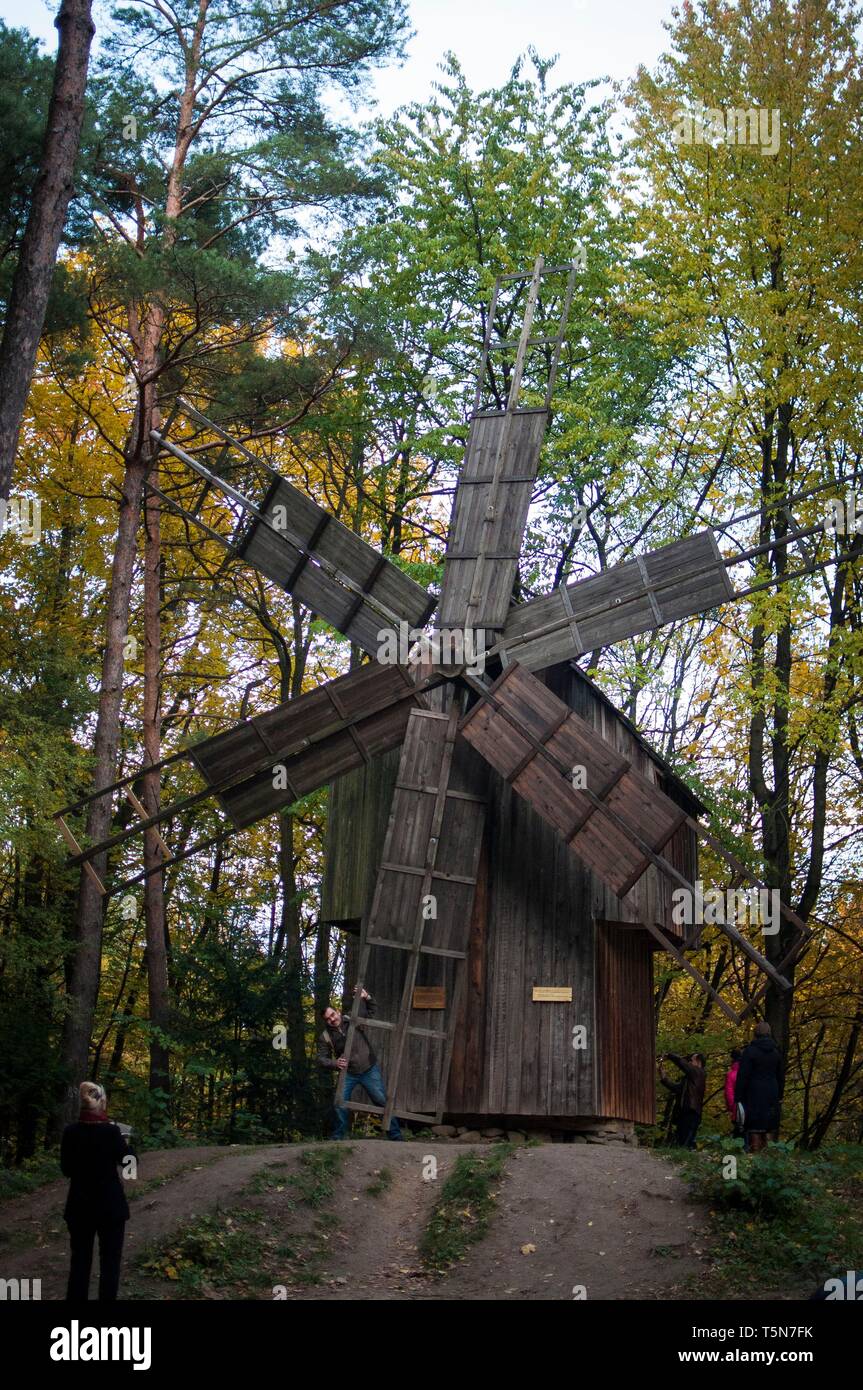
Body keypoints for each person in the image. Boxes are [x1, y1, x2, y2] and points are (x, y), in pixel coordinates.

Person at [60, 1081, 135, 1301]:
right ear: (102, 1102)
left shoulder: (70, 1132)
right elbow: (130, 1168)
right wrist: (127, 1143)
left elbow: (66, 1170)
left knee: (80, 1262)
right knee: (110, 1263)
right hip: (110, 1208)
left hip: (79, 1206)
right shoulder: (113, 1132)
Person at [318, 987, 402, 1141]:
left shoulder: (351, 1019)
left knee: (382, 1101)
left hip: (369, 1069)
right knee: (339, 1103)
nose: (332, 1019)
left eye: (332, 1015)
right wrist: (334, 1063)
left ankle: (396, 1136)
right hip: (348, 1073)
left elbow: (371, 1010)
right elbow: (321, 1058)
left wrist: (367, 997)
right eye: (328, 1019)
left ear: (337, 1011)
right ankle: (338, 1138)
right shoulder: (325, 1036)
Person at [734, 1020, 784, 1153]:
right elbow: (780, 1076)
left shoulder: (750, 1051)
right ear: (769, 1033)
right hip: (772, 1093)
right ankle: (766, 1159)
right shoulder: (776, 1052)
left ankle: (755, 1157)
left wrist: (737, 1097)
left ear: (755, 1033)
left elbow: (742, 1076)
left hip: (754, 1093)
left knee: (754, 1127)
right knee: (768, 1127)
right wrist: (779, 1096)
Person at [659, 1051, 706, 1149]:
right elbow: (677, 1089)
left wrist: (669, 1055)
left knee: (686, 1142)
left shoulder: (698, 1072)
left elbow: (682, 1064)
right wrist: (664, 1078)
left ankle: (688, 1158)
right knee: (682, 1141)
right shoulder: (690, 1079)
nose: (689, 1062)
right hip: (685, 1112)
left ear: (698, 1062)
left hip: (691, 1112)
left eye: (691, 1060)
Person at [725, 1048, 746, 1145]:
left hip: (736, 1107)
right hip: (748, 1106)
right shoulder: (749, 1074)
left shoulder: (731, 1074)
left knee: (738, 1130)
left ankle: (735, 1149)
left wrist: (732, 1107)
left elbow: (729, 1093)